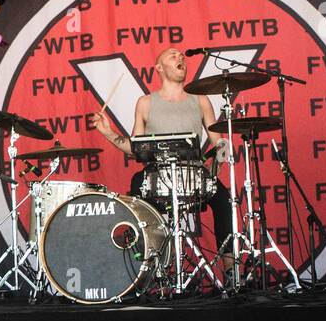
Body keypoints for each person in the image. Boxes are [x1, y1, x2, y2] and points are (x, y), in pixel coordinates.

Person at [89, 45, 233, 277]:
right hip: (158, 177)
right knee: (138, 194)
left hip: (193, 175)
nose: (181, 58)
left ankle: (231, 273)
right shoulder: (145, 102)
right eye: (173, 55)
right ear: (159, 68)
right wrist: (108, 132)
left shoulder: (201, 100)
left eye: (182, 56)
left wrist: (213, 168)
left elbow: (220, 145)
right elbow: (135, 149)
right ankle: (149, 271)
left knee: (225, 201)